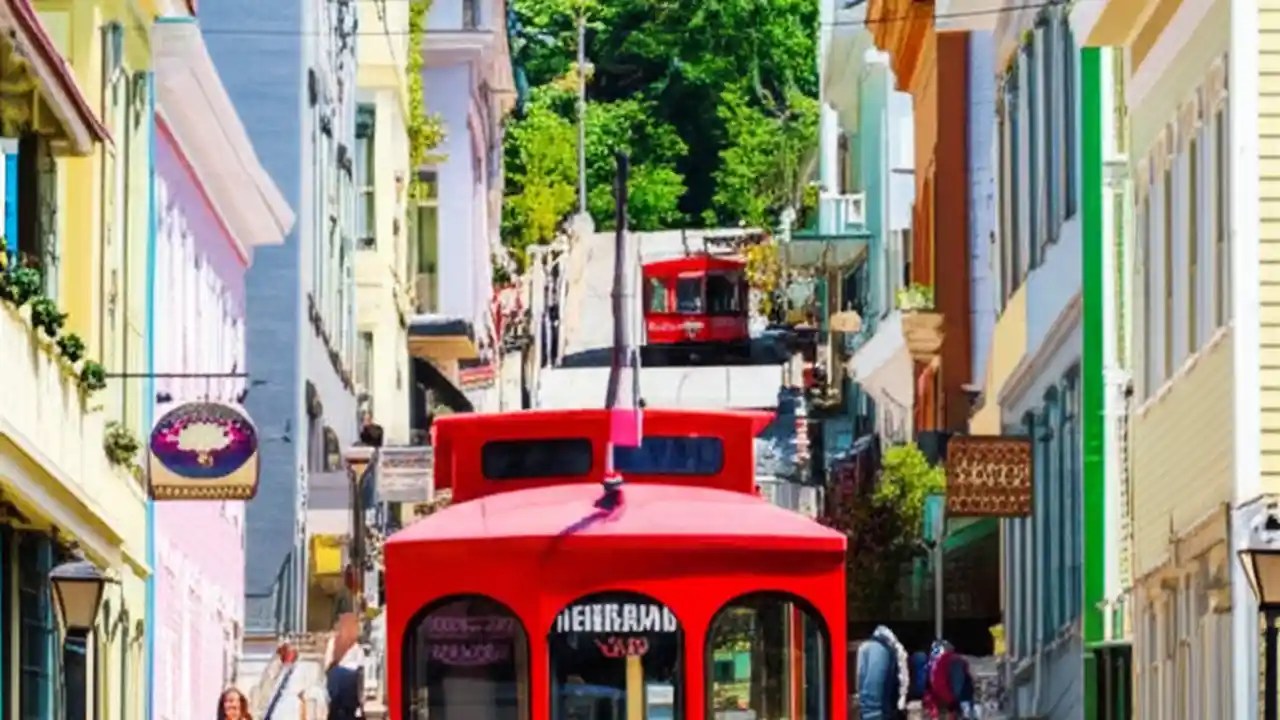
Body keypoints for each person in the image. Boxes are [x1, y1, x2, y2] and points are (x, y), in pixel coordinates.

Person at [855, 625, 908, 719]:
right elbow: (902, 679)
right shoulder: (893, 648)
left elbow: (859, 680)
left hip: (865, 712)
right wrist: (901, 705)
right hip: (883, 712)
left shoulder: (863, 647)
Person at [325, 612, 366, 720]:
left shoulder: (332, 643)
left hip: (335, 697)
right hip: (350, 698)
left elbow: (327, 664)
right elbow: (361, 672)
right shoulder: (357, 648)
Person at [923, 640, 976, 719]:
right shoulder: (954, 661)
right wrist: (954, 701)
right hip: (956, 700)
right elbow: (957, 684)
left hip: (942, 700)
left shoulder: (936, 663)